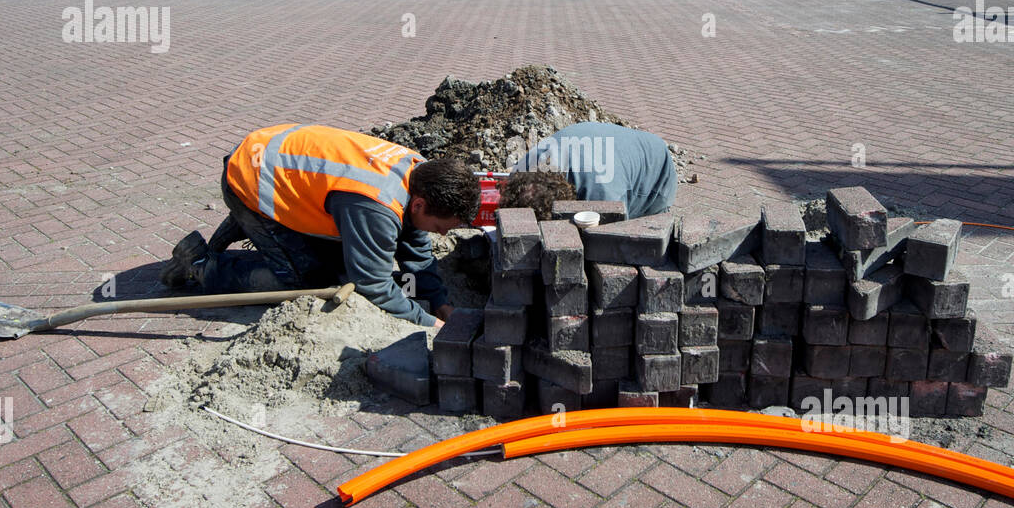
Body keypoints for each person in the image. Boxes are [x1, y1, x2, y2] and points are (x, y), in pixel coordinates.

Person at [160, 124, 480, 328]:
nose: (440, 235)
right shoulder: (376, 205)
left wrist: (439, 302)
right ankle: (202, 265)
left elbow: (414, 247)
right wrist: (426, 322)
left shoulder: (418, 173)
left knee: (336, 260)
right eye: (440, 227)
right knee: (302, 281)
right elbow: (372, 284)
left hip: (275, 164)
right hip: (249, 178)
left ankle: (251, 225)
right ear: (420, 205)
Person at [499, 122, 677, 221]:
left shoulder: (603, 196)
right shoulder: (522, 170)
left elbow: (614, 238)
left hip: (656, 169)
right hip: (606, 149)